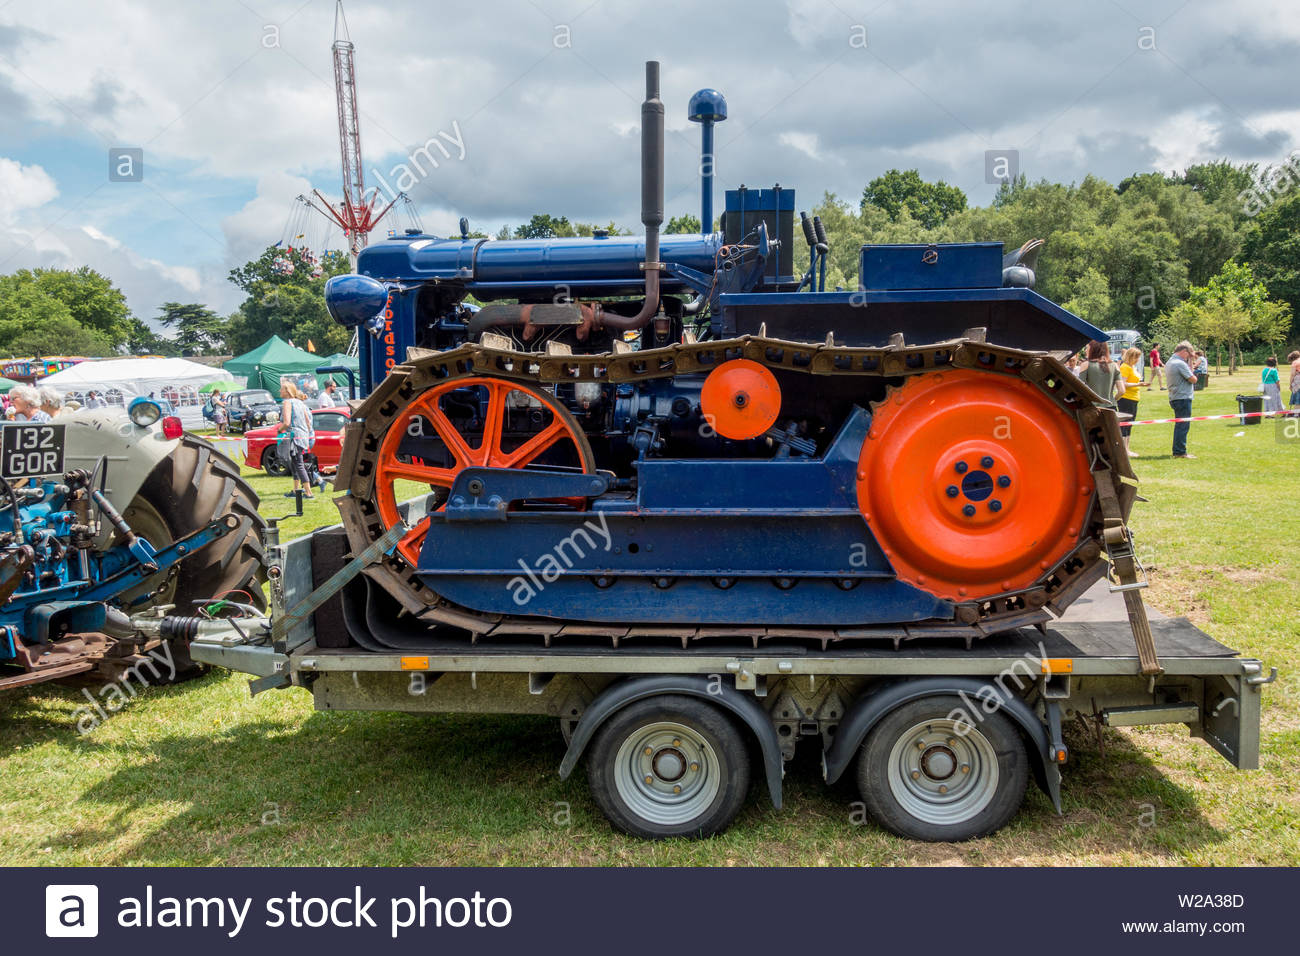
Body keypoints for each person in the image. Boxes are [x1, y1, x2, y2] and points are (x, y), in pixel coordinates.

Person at [278, 381, 316, 499]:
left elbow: (287, 422)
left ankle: (308, 492)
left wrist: (280, 430)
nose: (280, 391)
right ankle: (295, 490)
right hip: (303, 436)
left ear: (287, 391)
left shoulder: (287, 402)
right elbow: (308, 423)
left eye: (282, 389)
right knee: (295, 463)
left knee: (298, 464)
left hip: (294, 437)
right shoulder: (300, 403)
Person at [1165, 341, 1198, 459]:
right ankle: (1180, 451)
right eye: (1188, 355)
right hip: (1182, 397)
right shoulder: (1179, 363)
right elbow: (1193, 379)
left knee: (1180, 425)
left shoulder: (1170, 362)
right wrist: (1190, 362)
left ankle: (1178, 450)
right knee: (1183, 426)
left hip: (1175, 397)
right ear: (1184, 351)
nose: (1189, 357)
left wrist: (1189, 360)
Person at [1117, 346, 1149, 456]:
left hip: (1134, 398)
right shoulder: (1125, 367)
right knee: (1125, 424)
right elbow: (1123, 383)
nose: (1137, 360)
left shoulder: (1133, 367)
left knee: (1130, 423)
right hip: (1126, 398)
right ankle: (1123, 449)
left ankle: (1127, 448)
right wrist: (1138, 384)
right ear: (1130, 357)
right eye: (1136, 357)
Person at [1079, 340, 1122, 407]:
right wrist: (1113, 400)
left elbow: (1079, 388)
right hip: (1110, 408)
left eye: (1087, 348)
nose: (1085, 350)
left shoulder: (1086, 365)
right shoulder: (1114, 365)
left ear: (1093, 349)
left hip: (1091, 408)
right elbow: (1121, 391)